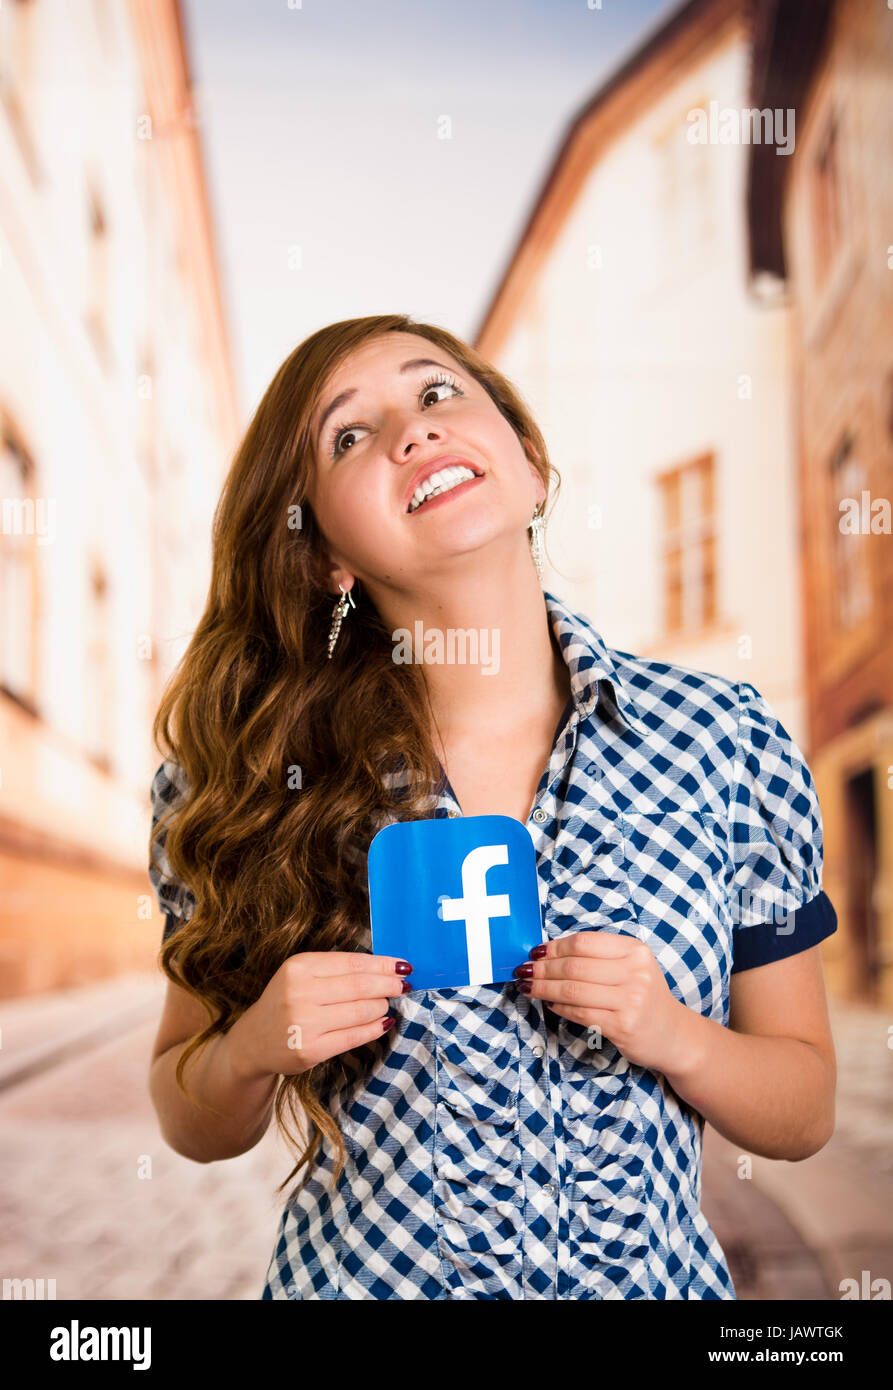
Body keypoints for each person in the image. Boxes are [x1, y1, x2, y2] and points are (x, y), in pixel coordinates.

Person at [148, 313, 838, 1300]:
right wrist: (254, 1047)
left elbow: (804, 1107)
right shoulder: (251, 780)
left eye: (436, 393)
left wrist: (675, 1033)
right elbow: (188, 1114)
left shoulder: (723, 742)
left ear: (525, 460)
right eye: (350, 435)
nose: (413, 431)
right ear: (323, 553)